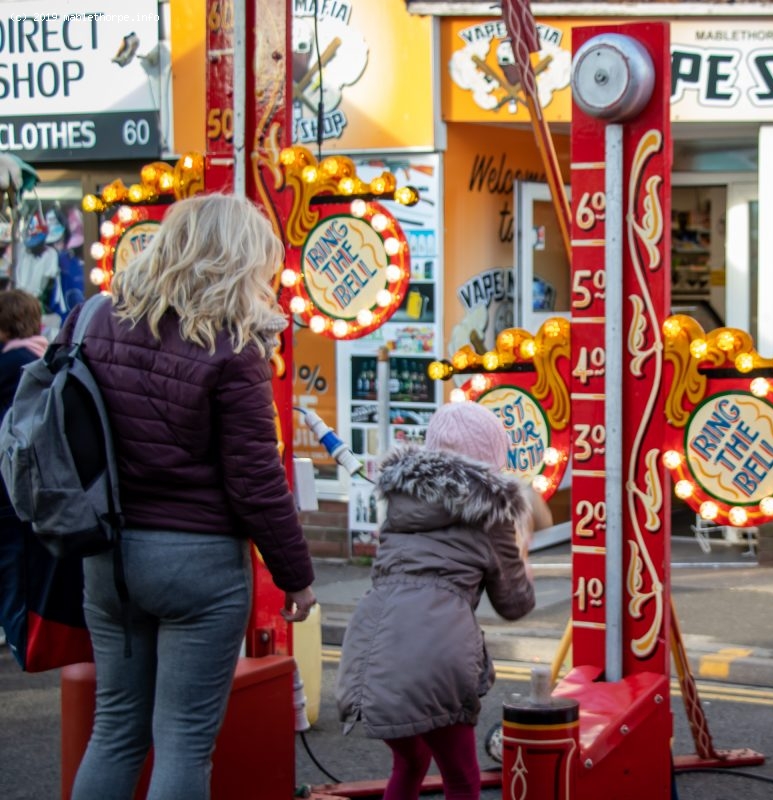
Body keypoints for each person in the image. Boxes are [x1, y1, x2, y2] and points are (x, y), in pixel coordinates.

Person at [65, 193, 317, 800]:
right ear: (239, 260)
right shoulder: (234, 347)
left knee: (115, 730)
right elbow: (256, 481)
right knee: (182, 741)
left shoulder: (94, 317)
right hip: (198, 563)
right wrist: (296, 575)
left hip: (108, 553)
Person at [336, 400, 536, 800]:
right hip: (438, 655)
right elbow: (515, 603)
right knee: (461, 778)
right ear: (492, 456)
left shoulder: (399, 503)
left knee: (409, 761)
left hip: (373, 648)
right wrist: (521, 548)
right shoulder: (492, 514)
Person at [0, 289, 47, 654]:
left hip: (6, 486)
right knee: (20, 577)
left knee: (10, 576)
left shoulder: (8, 364)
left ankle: (17, 640)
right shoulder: (42, 359)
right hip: (31, 487)